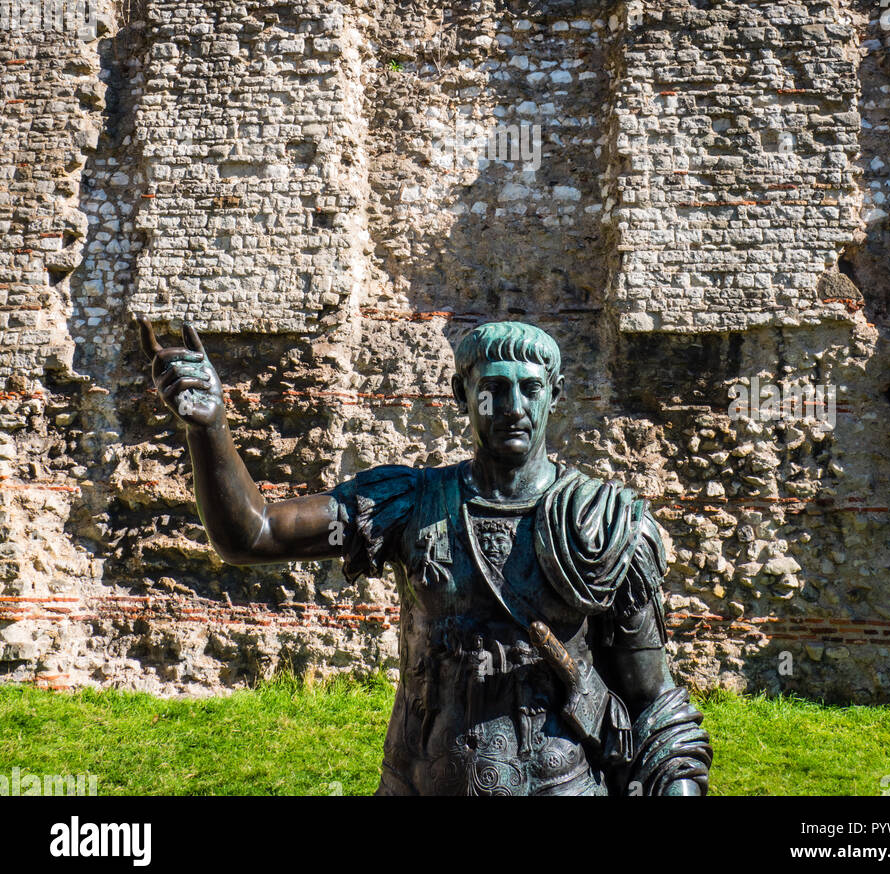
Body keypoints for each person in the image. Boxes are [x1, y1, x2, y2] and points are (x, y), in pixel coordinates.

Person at [141, 316, 712, 797]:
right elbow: (253, 535)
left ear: (556, 394)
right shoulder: (410, 504)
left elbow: (656, 704)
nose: (512, 406)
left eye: (531, 389)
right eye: (493, 388)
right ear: (463, 394)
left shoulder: (603, 523)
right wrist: (210, 428)